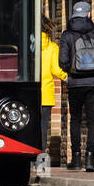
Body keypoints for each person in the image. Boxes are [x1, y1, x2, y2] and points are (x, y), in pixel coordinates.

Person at [57, 1, 94, 171]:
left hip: (75, 83)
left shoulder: (67, 35)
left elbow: (62, 62)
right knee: (92, 121)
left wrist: (70, 69)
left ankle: (76, 159)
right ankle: (90, 159)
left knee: (75, 119)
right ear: (89, 14)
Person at [40, 16, 68, 160]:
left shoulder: (26, 45)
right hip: (46, 94)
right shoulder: (51, 47)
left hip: (28, 93)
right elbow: (56, 70)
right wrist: (68, 77)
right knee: (43, 128)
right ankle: (40, 158)